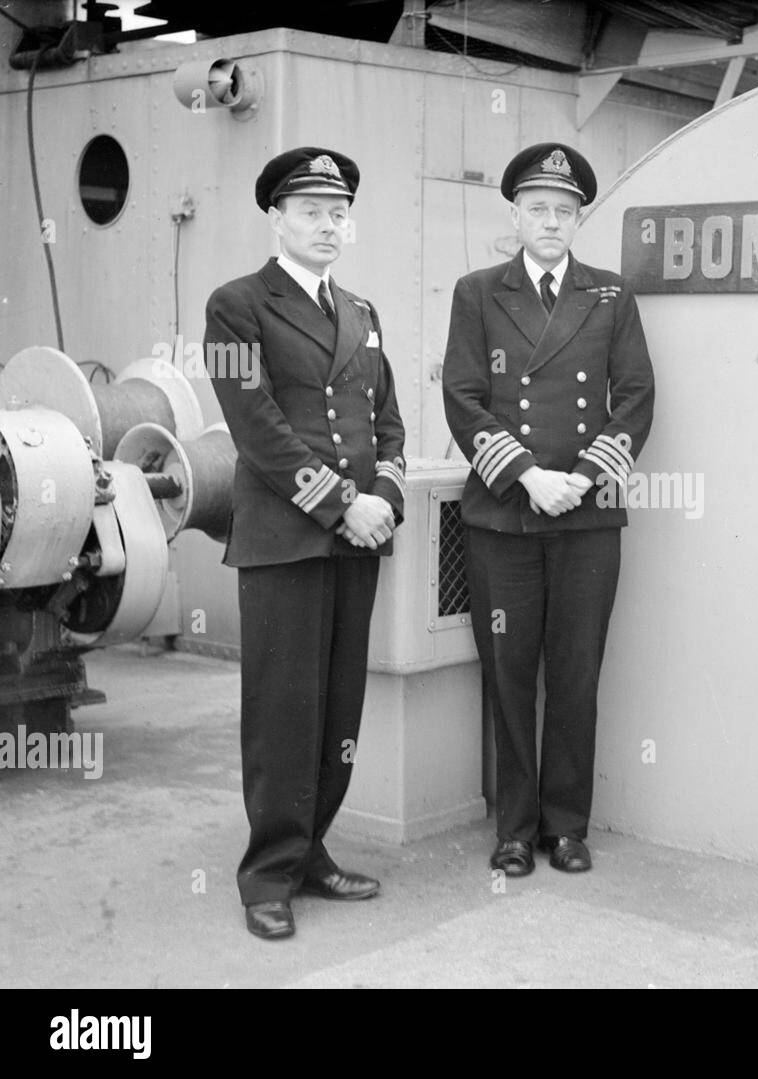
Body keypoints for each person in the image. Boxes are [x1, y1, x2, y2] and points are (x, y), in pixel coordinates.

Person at [203, 147, 407, 939]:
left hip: (357, 542)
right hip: (287, 539)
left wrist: (384, 496)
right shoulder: (235, 305)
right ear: (276, 218)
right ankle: (266, 874)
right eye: (310, 210)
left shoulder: (363, 312)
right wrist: (342, 504)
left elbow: (387, 419)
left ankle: (311, 848)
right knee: (283, 712)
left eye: (337, 212)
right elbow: (256, 428)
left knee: (336, 710)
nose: (327, 224)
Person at [442, 142, 654, 876]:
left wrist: (586, 477)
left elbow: (635, 397)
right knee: (507, 671)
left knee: (576, 672)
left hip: (587, 519)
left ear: (578, 218)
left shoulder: (609, 296)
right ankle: (513, 826)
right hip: (505, 516)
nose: (552, 221)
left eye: (565, 211)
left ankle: (566, 825)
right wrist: (529, 475)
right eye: (539, 209)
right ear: (515, 215)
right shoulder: (477, 292)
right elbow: (463, 398)